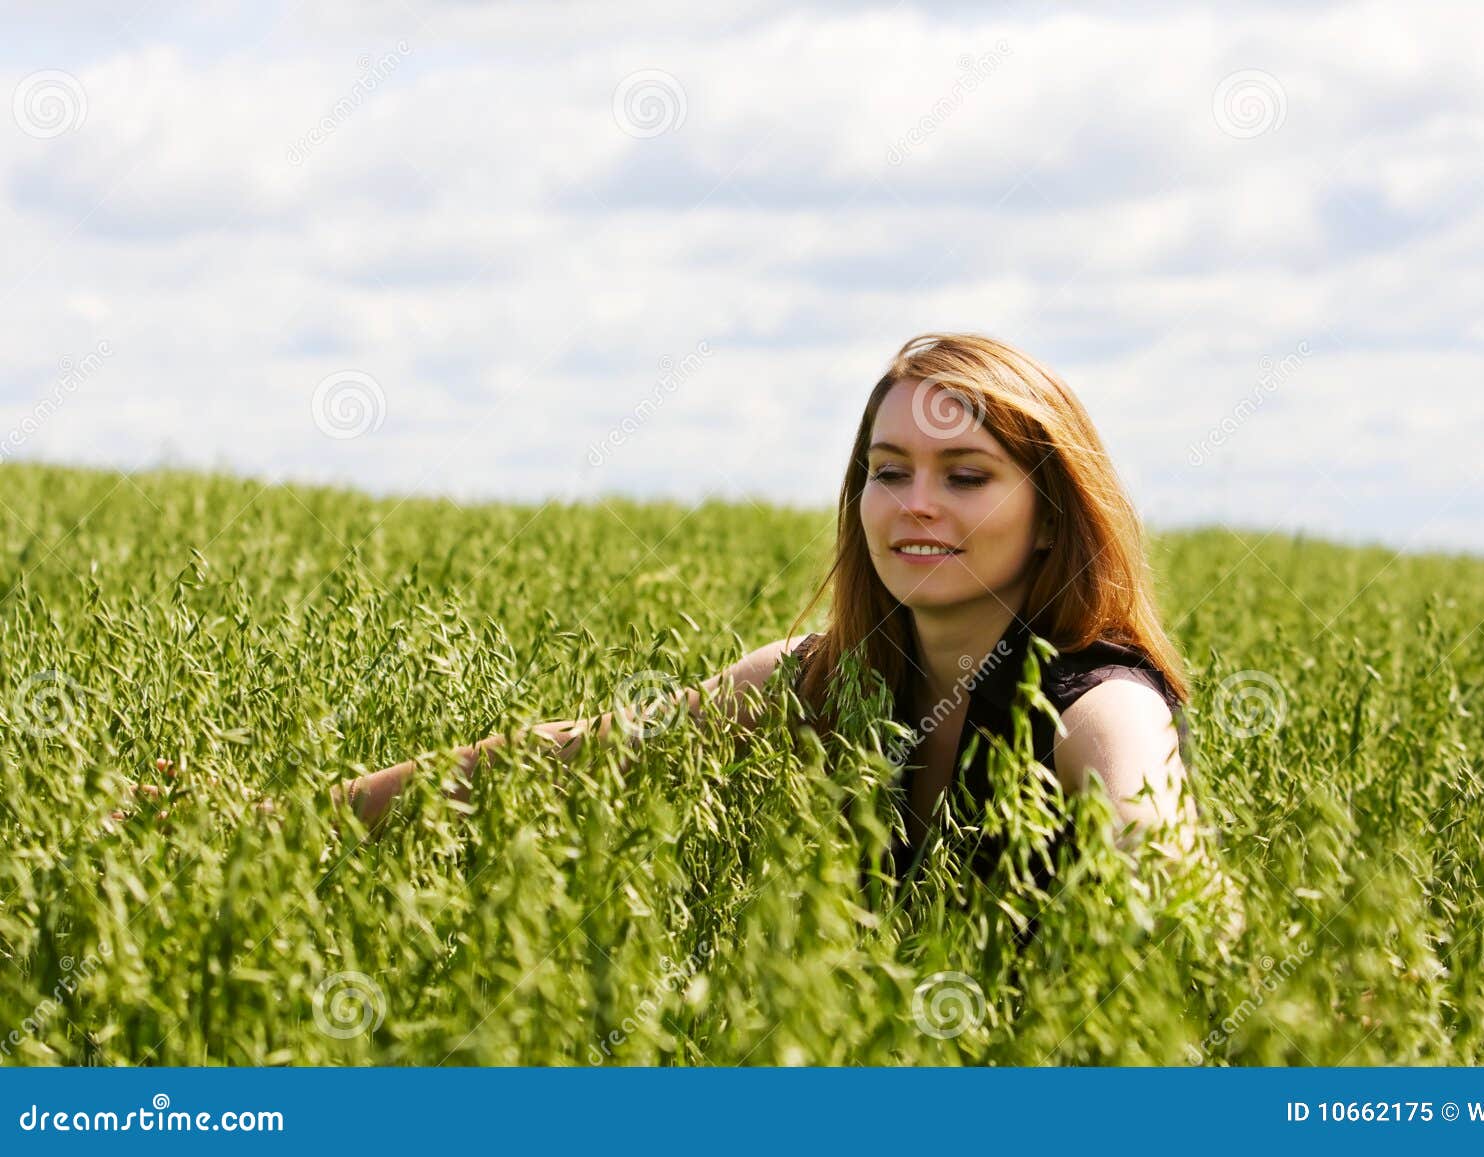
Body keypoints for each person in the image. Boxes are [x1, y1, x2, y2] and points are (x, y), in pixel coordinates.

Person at [331, 332, 1217, 906]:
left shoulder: (1099, 707)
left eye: (967, 476)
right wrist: (296, 822)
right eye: (890, 469)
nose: (916, 504)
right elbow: (567, 758)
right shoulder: (818, 680)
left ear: (1053, 514)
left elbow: (1184, 908)